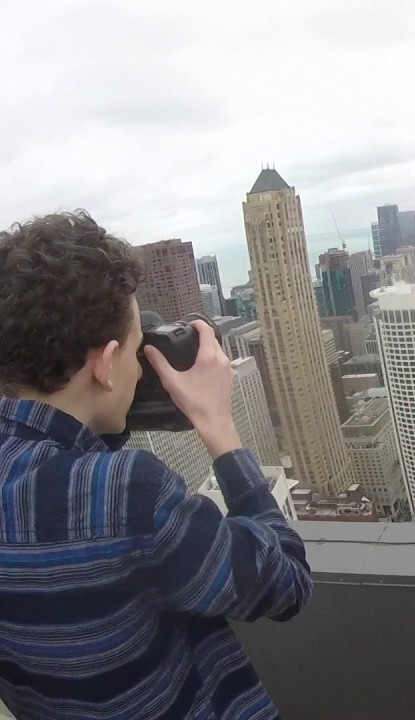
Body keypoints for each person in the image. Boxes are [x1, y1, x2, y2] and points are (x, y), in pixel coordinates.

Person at [0, 212, 311, 719]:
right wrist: (218, 425)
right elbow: (284, 584)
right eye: (134, 346)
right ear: (104, 364)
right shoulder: (128, 496)